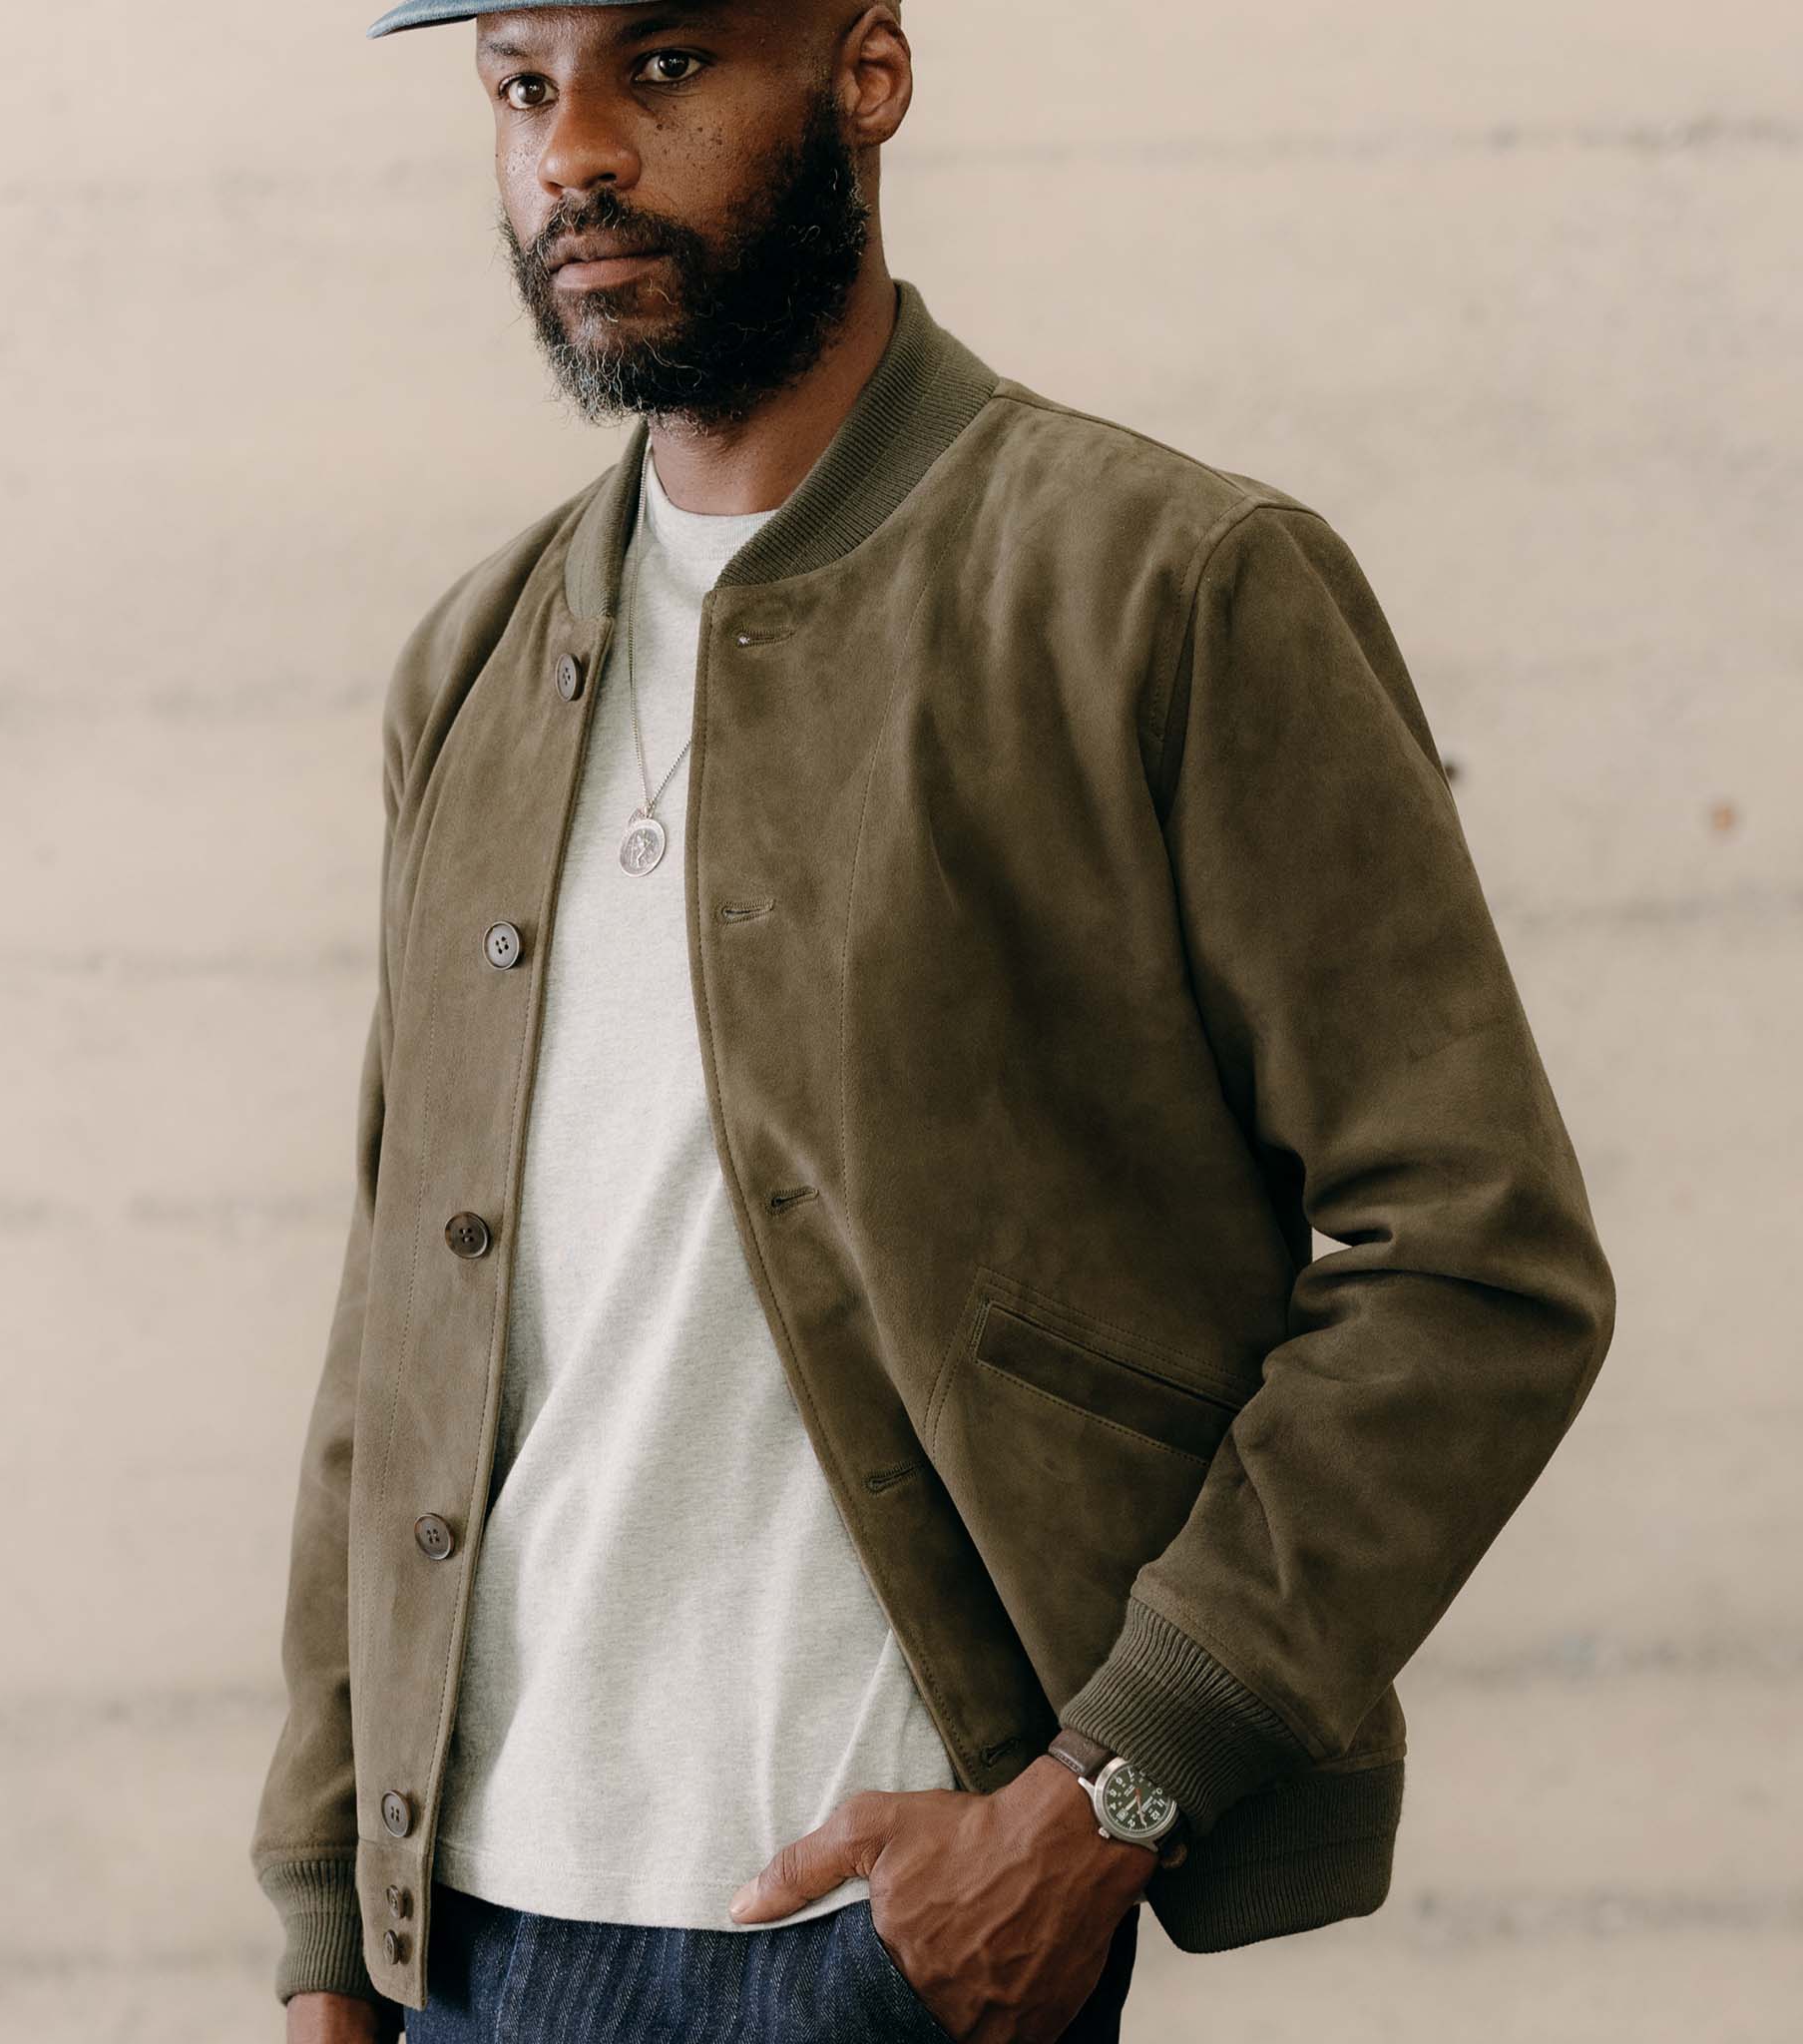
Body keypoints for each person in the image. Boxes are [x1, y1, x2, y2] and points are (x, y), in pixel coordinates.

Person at [249, 4, 1617, 2040]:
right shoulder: (476, 662)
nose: (576, 153)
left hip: (886, 1937)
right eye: (524, 85)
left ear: (866, 75)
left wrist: (1103, 1799)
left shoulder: (1163, 586)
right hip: (459, 1932)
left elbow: (1477, 1262)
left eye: (665, 63)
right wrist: (319, 1915)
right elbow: (401, 1323)